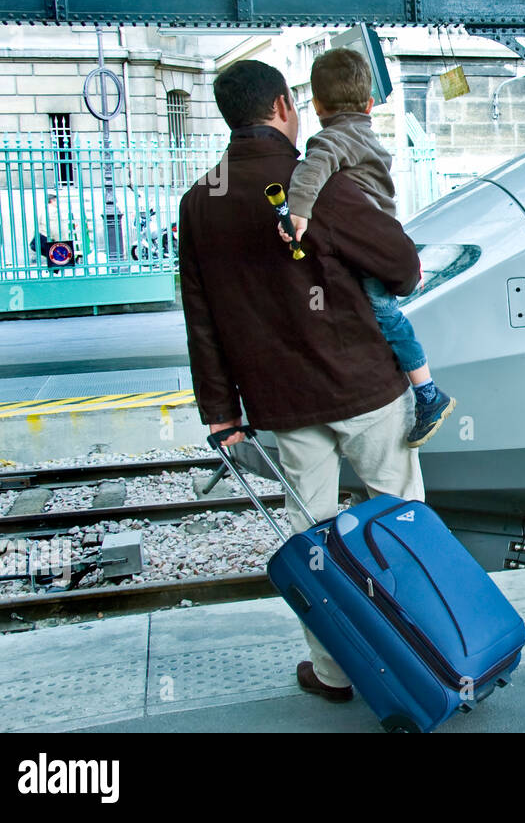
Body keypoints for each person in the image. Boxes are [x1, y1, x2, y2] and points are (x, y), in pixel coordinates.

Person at [178, 59, 425, 703]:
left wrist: (221, 413)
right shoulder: (322, 182)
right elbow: (401, 264)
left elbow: (200, 317)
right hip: (365, 386)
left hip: (283, 403)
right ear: (285, 105)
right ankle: (431, 650)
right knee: (402, 519)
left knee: (310, 534)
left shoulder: (200, 199)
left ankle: (335, 671)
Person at [281, 47, 455, 448]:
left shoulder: (332, 139)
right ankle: (423, 389)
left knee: (385, 315)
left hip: (368, 243)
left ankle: (428, 393)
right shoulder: (365, 135)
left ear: (316, 104)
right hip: (382, 238)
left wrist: (299, 210)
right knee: (383, 313)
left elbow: (315, 166)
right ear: (371, 104)